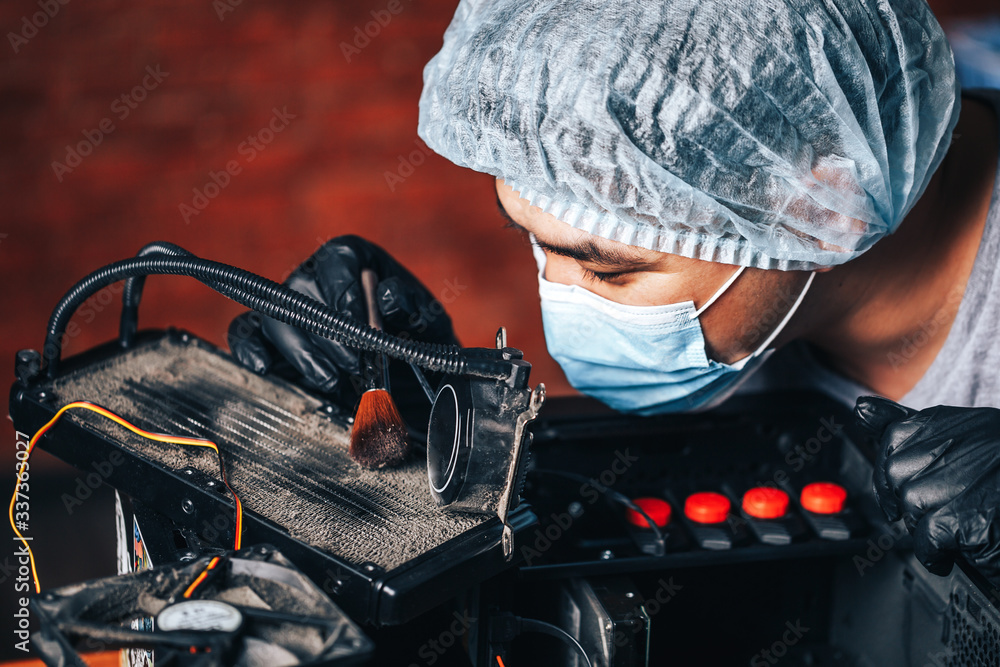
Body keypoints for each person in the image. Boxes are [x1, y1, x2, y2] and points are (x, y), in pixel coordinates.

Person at [229, 0, 1000, 585]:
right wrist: (431, 411)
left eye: (606, 272)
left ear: (823, 206)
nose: (559, 302)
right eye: (529, 239)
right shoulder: (755, 282)